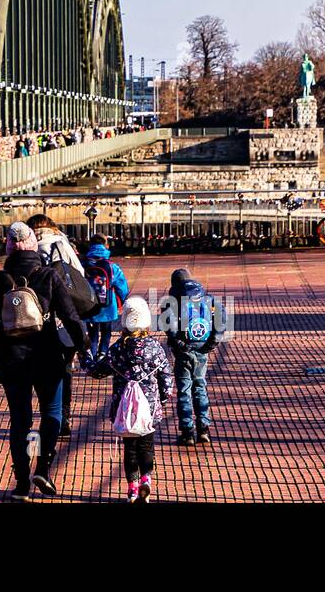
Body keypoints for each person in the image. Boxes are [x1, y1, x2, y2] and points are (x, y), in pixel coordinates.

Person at [0, 221, 87, 501]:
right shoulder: (48, 276)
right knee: (51, 412)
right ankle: (43, 466)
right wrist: (82, 346)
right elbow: (71, 316)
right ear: (32, 245)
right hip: (48, 357)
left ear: (8, 247)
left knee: (20, 421)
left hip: (12, 361)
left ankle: (21, 483)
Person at [92, 296, 172, 503]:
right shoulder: (155, 348)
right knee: (146, 446)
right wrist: (162, 399)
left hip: (124, 408)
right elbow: (166, 377)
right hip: (149, 408)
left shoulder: (118, 349)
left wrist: (86, 357)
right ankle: (147, 479)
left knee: (130, 449)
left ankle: (133, 489)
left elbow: (99, 372)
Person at [26, 213, 92, 438]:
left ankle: (48, 415)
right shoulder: (62, 244)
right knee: (65, 370)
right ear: (52, 227)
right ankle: (62, 418)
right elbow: (79, 276)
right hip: (64, 318)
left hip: (38, 318)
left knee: (42, 369)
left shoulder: (29, 248)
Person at [165, 267, 218, 445]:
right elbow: (221, 321)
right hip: (202, 350)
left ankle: (187, 432)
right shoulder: (208, 299)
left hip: (182, 352)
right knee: (200, 387)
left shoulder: (172, 301)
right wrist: (211, 344)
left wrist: (179, 344)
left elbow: (169, 328)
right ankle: (204, 429)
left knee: (184, 391)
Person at [82, 234, 128, 361]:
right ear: (106, 246)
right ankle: (103, 354)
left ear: (90, 246)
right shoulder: (112, 266)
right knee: (106, 331)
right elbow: (122, 287)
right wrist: (120, 300)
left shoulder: (82, 264)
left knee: (92, 334)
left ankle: (91, 356)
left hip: (88, 305)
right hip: (107, 304)